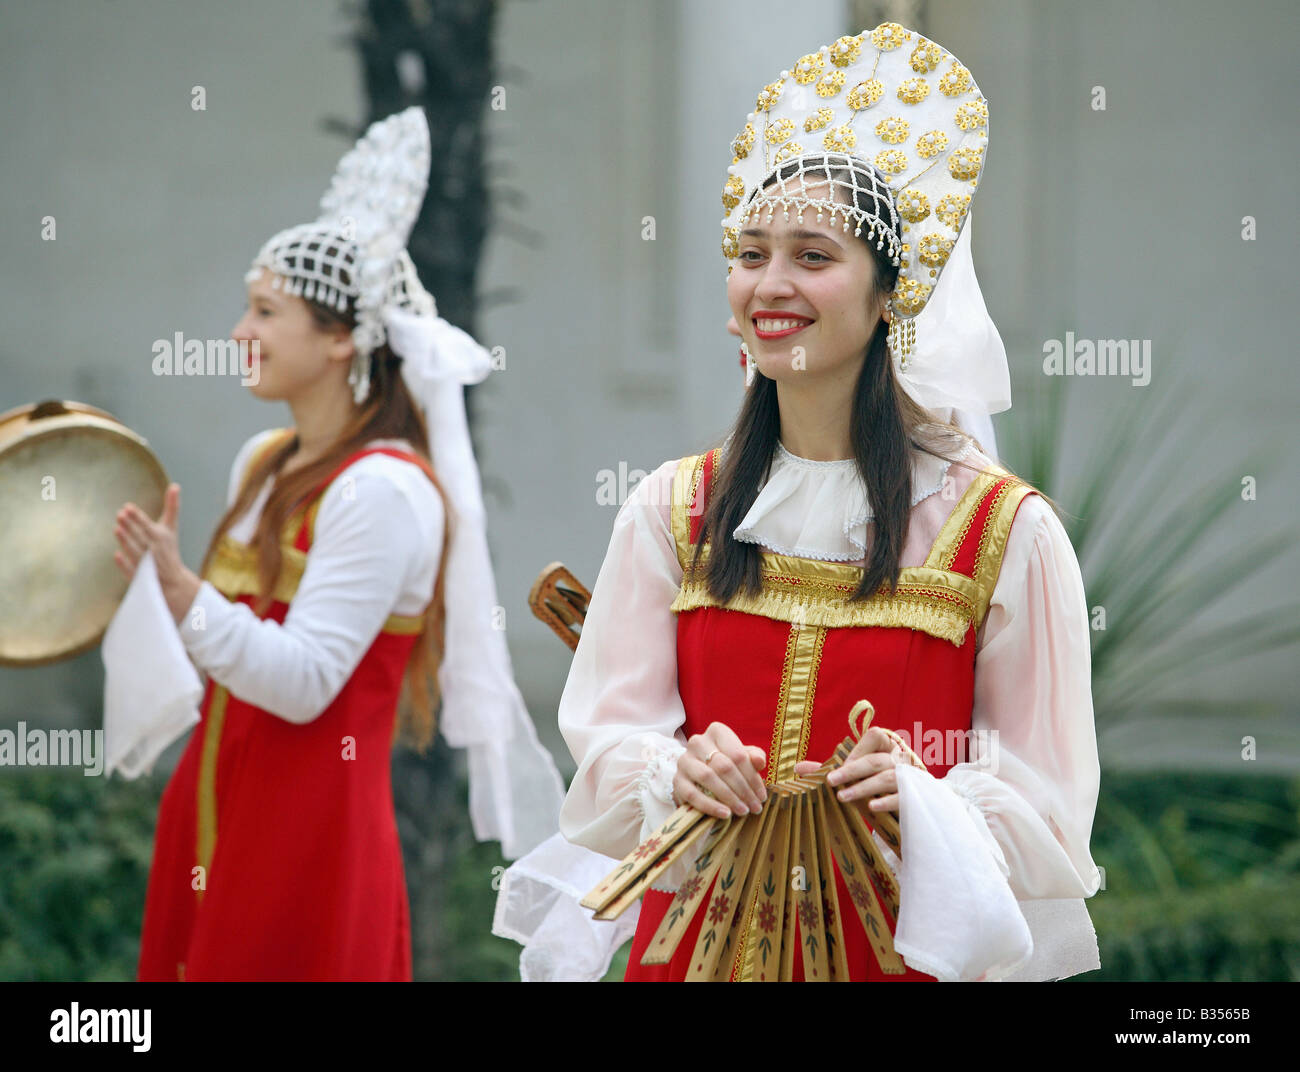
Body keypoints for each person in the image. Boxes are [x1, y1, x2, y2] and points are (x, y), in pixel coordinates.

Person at [552, 24, 1103, 982]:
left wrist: (925, 796)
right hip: (691, 955)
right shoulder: (672, 510)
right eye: (751, 252)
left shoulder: (1002, 531)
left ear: (893, 292)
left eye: (813, 256)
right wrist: (674, 770)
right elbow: (605, 743)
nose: (771, 284)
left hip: (892, 953)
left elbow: (1049, 809)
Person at [110, 107, 562, 981]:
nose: (240, 333)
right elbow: (221, 648)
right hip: (215, 797)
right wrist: (137, 583)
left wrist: (182, 593)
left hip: (305, 835)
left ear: (342, 339)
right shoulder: (267, 459)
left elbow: (307, 683)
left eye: (265, 311)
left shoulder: (384, 490)